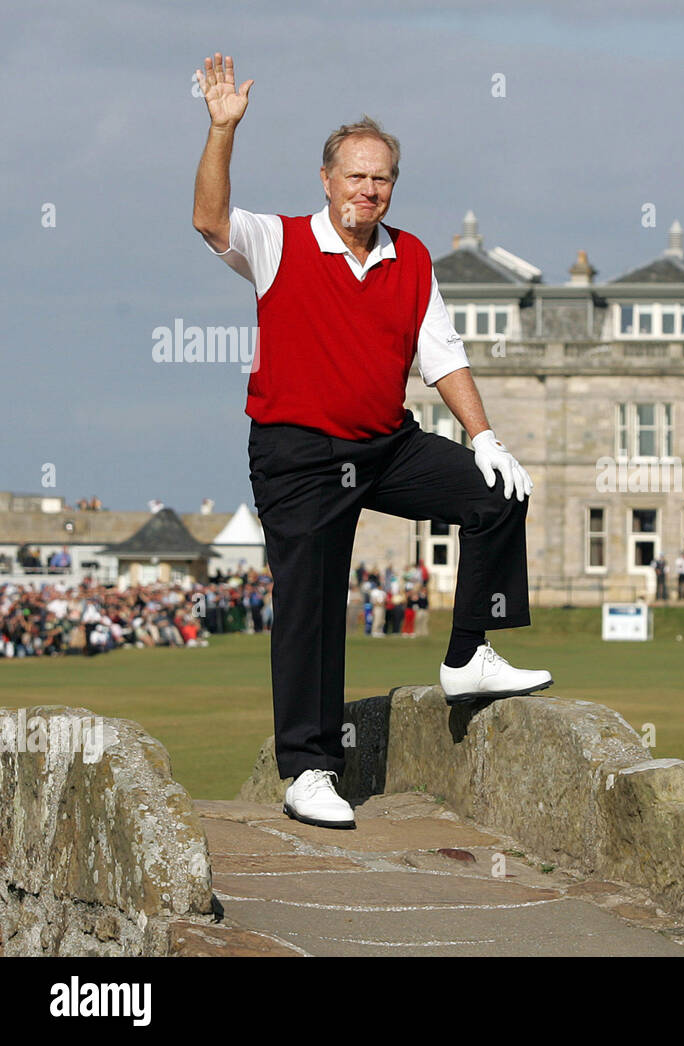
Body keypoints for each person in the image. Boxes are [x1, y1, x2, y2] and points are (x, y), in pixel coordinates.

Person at [193, 53, 551, 831]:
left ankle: (468, 657)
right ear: (327, 180)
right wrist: (222, 130)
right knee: (312, 603)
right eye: (356, 176)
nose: (369, 189)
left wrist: (485, 436)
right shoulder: (280, 241)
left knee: (496, 493)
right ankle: (309, 769)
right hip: (297, 453)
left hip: (385, 444)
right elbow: (211, 220)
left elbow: (442, 354)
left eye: (381, 178)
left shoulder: (411, 256)